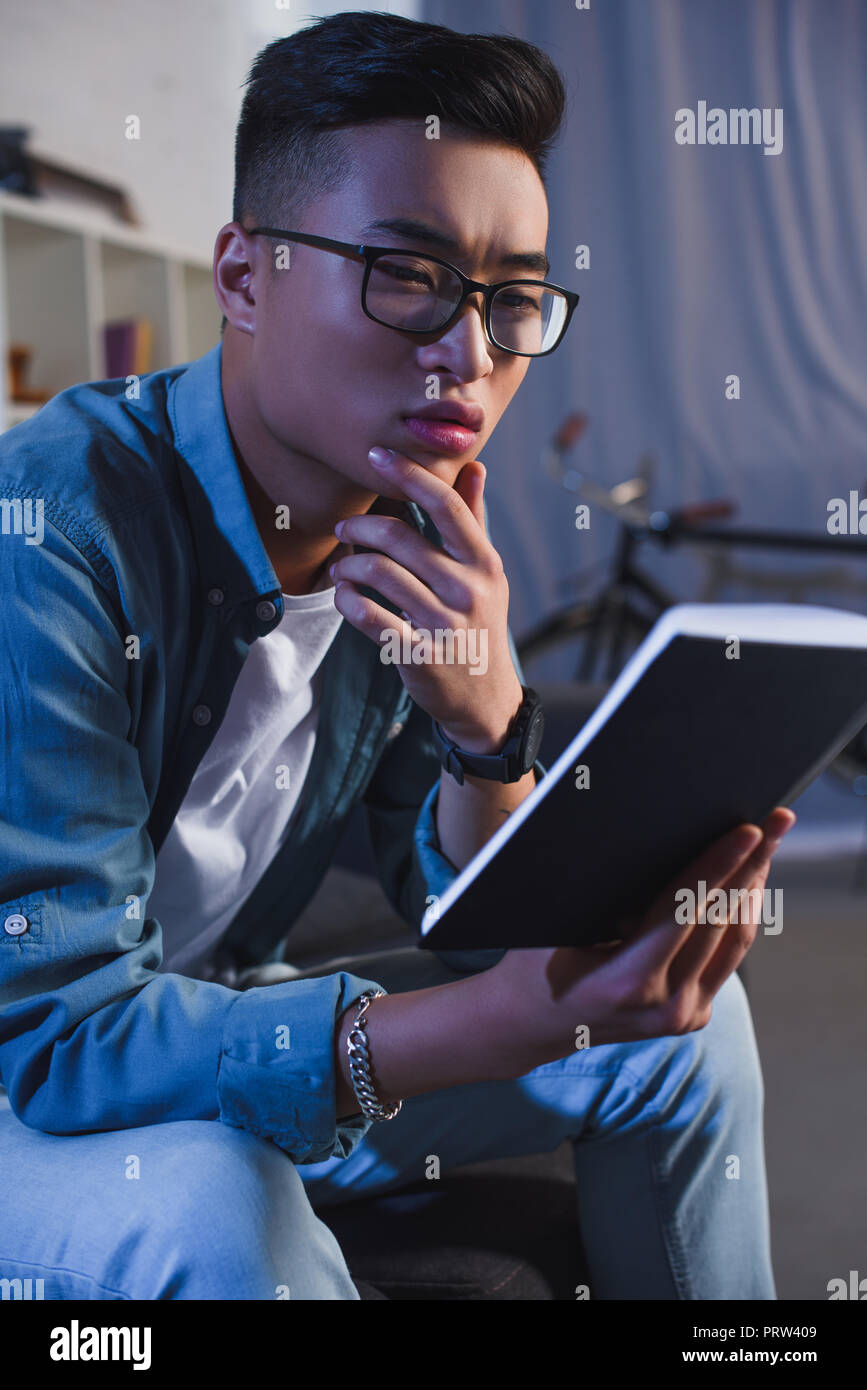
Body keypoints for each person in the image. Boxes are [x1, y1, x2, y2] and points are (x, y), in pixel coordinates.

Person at [0, 10, 793, 1301]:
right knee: (212, 1207)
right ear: (245, 276)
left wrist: (489, 733)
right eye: (410, 273)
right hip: (26, 1082)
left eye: (513, 299)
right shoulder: (50, 535)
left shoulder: (395, 529)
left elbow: (463, 913)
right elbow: (64, 1041)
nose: (471, 355)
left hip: (208, 1011)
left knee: (682, 1040)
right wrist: (489, 1024)